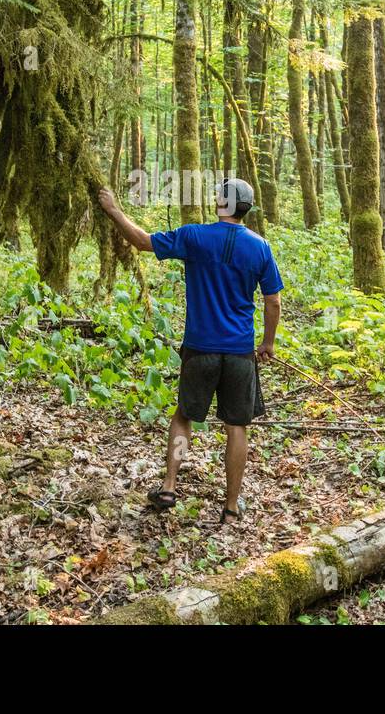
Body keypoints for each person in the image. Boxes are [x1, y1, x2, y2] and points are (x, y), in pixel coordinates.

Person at [97, 178, 283, 525]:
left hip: (200, 349)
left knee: (184, 416)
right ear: (247, 209)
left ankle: (169, 486)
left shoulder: (195, 236)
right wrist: (267, 343)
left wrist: (113, 210)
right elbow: (273, 300)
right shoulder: (260, 247)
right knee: (236, 426)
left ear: (221, 204)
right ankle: (231, 506)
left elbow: (141, 241)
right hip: (240, 352)